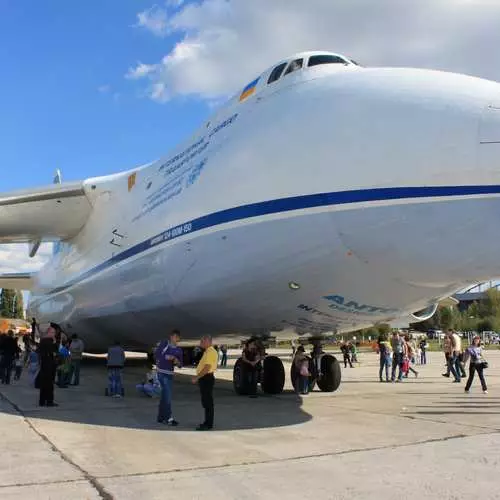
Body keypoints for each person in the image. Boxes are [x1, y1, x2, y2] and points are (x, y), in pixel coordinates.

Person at [155, 329, 183, 425]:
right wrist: (167, 357)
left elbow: (180, 365)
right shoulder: (164, 344)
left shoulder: (178, 350)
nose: (175, 339)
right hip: (162, 373)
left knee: (164, 397)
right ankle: (168, 418)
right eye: (173, 336)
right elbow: (157, 355)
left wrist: (177, 361)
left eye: (176, 337)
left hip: (170, 374)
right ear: (170, 337)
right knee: (167, 397)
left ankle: (161, 417)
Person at [192, 335, 218, 430]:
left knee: (208, 402)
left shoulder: (211, 352)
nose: (200, 343)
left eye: (202, 341)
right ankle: (207, 422)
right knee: (206, 401)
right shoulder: (207, 352)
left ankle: (208, 424)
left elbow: (207, 367)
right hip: (205, 378)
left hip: (206, 378)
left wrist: (197, 377)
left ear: (208, 342)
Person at [37, 330, 58, 407]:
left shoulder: (42, 342)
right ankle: (49, 401)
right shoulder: (51, 343)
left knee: (43, 385)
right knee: (49, 385)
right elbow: (55, 353)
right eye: (53, 333)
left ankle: (41, 401)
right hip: (49, 366)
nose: (54, 334)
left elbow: (38, 351)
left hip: (43, 366)